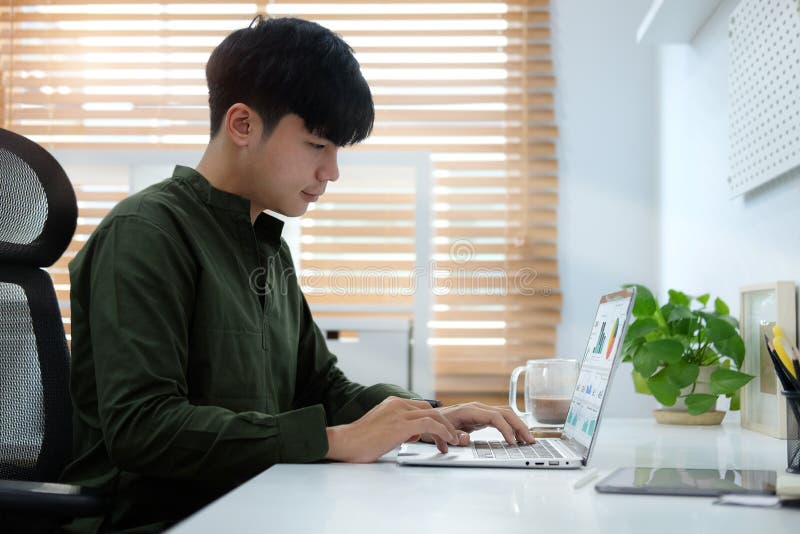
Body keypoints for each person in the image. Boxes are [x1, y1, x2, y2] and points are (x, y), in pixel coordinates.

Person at [60, 16, 533, 533]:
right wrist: (333, 440)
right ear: (243, 125)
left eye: (336, 151)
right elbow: (144, 428)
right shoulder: (146, 233)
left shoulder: (265, 245)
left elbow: (321, 387)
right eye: (317, 145)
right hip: (163, 520)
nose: (331, 171)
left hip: (261, 505)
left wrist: (427, 415)